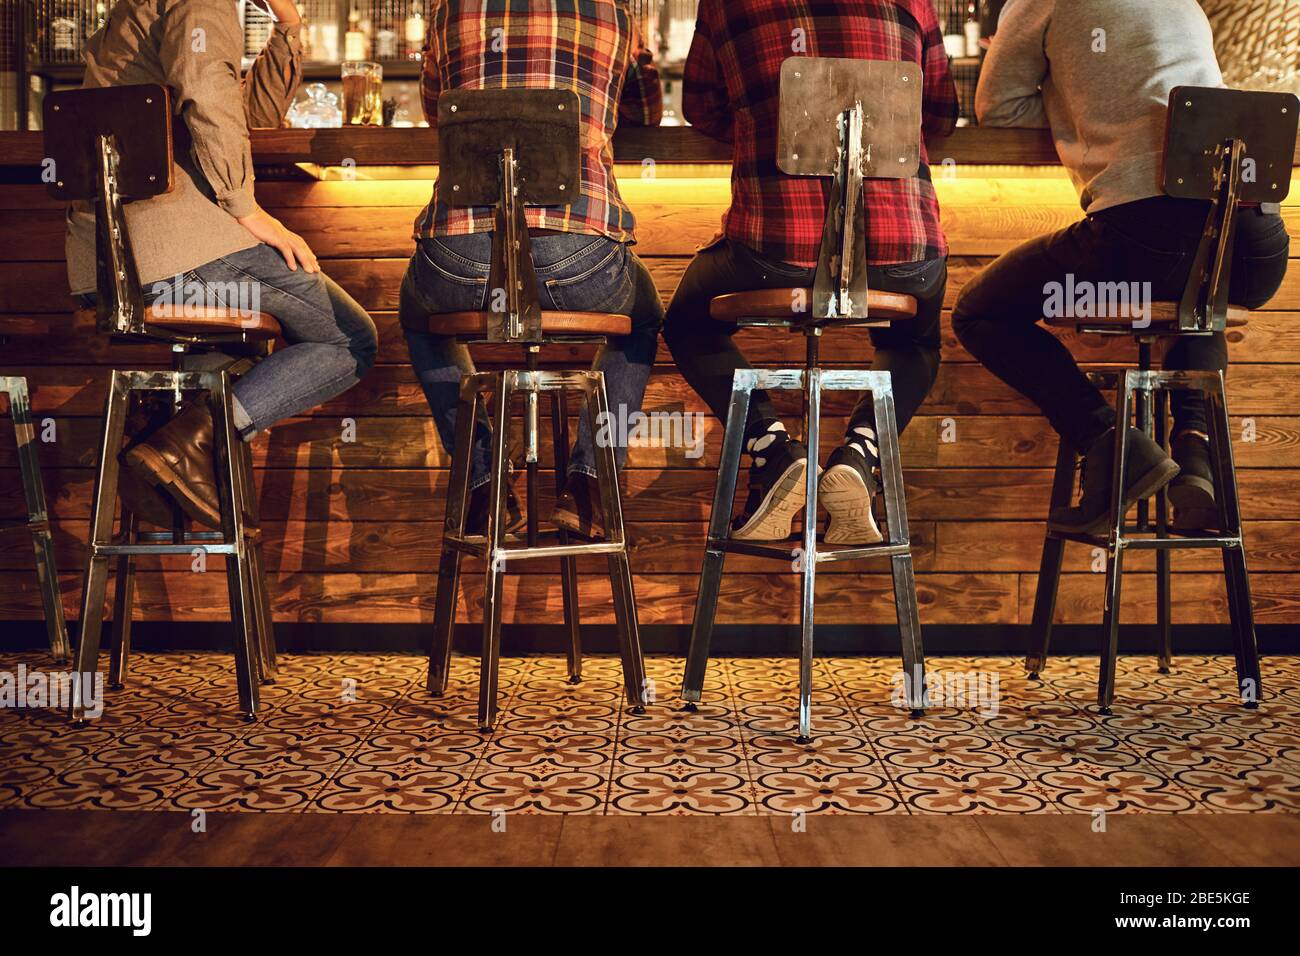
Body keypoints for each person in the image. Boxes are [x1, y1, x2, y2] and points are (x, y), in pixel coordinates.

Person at [953, 0, 1290, 533]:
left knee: (977, 312)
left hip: (1144, 240)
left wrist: (1081, 114)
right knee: (1202, 301)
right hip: (1257, 252)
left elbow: (997, 107)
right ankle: (1193, 454)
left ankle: (1109, 442)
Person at [65, 0, 378, 529]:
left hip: (104, 272)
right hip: (179, 255)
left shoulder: (130, 16)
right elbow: (208, 92)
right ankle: (183, 443)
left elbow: (245, 115)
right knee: (350, 338)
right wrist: (248, 209)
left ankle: (166, 437)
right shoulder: (200, 2)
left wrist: (291, 26)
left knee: (228, 349)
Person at [661, 0, 958, 544]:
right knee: (914, 343)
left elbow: (702, 107)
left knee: (686, 322)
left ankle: (772, 450)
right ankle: (862, 456)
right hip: (906, 251)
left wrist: (778, 122)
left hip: (773, 250)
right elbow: (938, 114)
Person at [402, 0, 665, 539]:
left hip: (459, 256)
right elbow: (647, 111)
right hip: (579, 258)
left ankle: (482, 487)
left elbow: (438, 112)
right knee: (642, 318)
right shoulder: (615, 15)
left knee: (416, 312)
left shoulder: (448, 12)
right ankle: (589, 488)